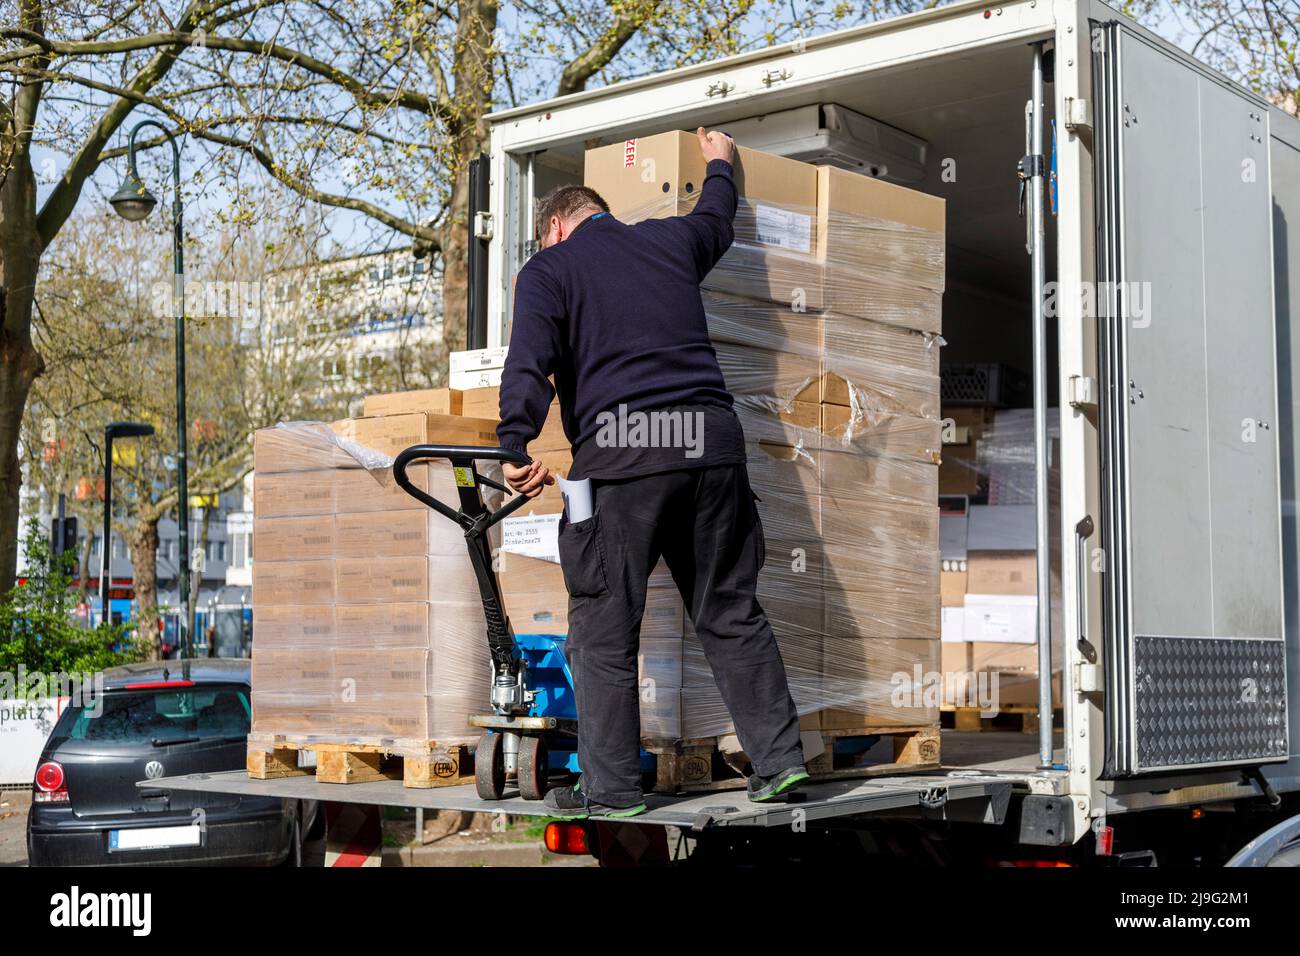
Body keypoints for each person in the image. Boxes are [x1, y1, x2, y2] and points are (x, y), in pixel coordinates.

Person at [496, 127, 809, 819]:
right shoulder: (668, 241)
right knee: (730, 612)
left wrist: (514, 444)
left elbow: (529, 363)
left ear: (554, 225)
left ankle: (610, 790)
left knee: (604, 627)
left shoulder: (548, 271)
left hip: (624, 456)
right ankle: (781, 762)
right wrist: (720, 161)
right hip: (711, 445)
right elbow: (716, 217)